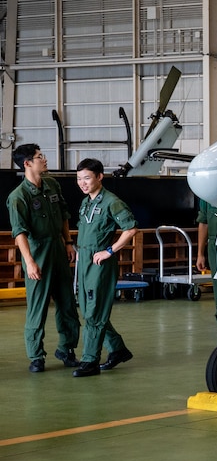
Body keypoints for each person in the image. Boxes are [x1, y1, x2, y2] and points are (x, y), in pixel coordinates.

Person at [7, 144, 80, 372]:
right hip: (37, 253)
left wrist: (68, 242)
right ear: (27, 163)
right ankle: (36, 355)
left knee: (67, 303)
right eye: (40, 157)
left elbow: (64, 214)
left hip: (58, 250)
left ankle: (67, 349)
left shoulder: (52, 185)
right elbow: (19, 233)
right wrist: (29, 262)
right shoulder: (18, 197)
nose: (45, 160)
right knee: (37, 307)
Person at [72, 159, 138, 378]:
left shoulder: (111, 201)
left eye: (87, 178)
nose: (83, 183)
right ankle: (118, 349)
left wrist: (110, 251)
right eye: (79, 178)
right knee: (89, 308)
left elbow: (130, 229)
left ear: (100, 177)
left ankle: (90, 361)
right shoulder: (86, 202)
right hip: (85, 262)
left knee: (94, 311)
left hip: (100, 264)